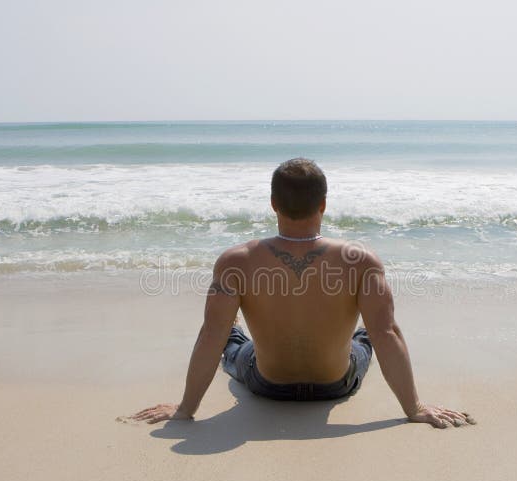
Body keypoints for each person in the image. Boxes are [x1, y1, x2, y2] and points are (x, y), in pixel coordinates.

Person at [132, 158, 475, 428]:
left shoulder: (238, 261)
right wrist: (414, 408)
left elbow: (209, 335)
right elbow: (388, 334)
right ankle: (348, 337)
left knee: (227, 339)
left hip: (267, 383)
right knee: (370, 335)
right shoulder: (360, 260)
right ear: (323, 204)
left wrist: (185, 410)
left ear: (273, 203)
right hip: (335, 384)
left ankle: (235, 329)